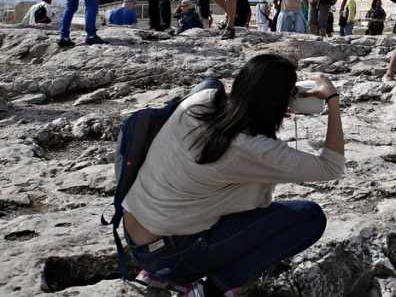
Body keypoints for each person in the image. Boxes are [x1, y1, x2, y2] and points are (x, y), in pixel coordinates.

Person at [122, 55, 345, 297]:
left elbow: (237, 102)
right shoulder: (254, 150)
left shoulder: (202, 100)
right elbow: (331, 168)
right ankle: (215, 289)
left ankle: (163, 274)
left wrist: (271, 108)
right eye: (291, 92)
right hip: (174, 254)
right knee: (309, 218)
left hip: (136, 237)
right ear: (279, 101)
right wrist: (332, 99)